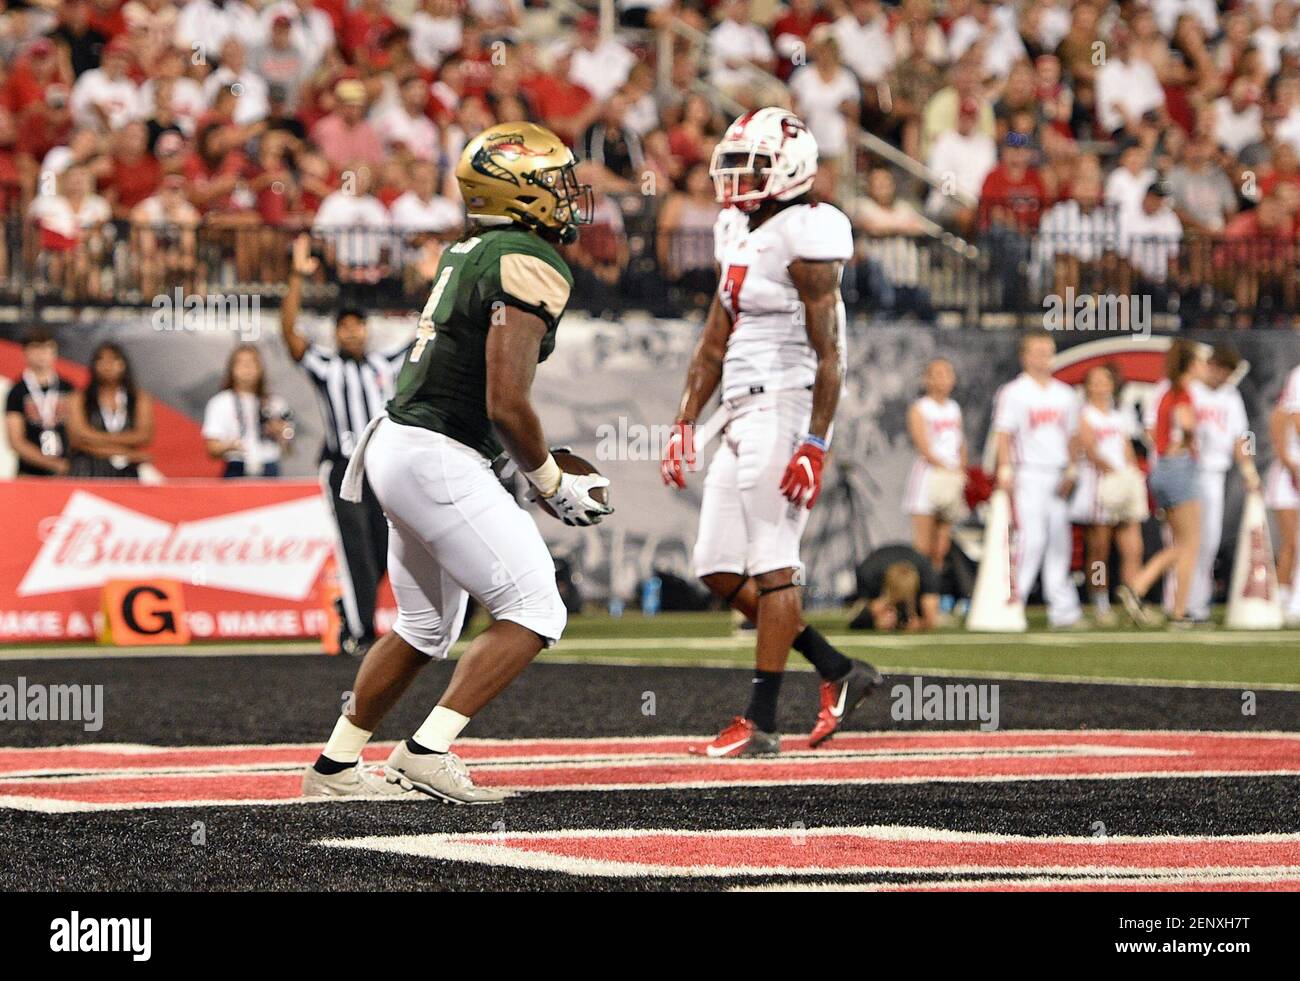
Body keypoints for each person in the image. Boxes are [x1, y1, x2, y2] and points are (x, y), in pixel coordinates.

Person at [301, 122, 610, 803]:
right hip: (436, 454)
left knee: (424, 627)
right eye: (552, 182)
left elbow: (489, 391)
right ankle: (426, 749)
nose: (566, 195)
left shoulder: (471, 249)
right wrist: (550, 484)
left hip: (400, 445)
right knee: (535, 607)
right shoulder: (529, 259)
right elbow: (506, 400)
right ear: (518, 192)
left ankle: (335, 765)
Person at [662, 107, 881, 757]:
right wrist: (685, 419)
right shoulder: (736, 224)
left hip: (786, 405)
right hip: (738, 405)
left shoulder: (809, 231)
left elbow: (830, 350)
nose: (737, 178)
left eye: (752, 165)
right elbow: (713, 335)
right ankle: (837, 668)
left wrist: (816, 441)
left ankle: (759, 721)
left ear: (789, 168)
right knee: (717, 566)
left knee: (772, 562)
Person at [281, 234, 409, 657]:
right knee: (355, 548)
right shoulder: (327, 367)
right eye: (345, 326)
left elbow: (427, 336)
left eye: (359, 325)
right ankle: (361, 631)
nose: (353, 332)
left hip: (384, 467)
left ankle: (351, 612)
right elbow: (290, 335)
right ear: (337, 333)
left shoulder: (384, 364)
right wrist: (296, 280)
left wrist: (431, 283)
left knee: (384, 548)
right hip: (345, 465)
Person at [993, 330, 1082, 629]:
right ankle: (1011, 602)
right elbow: (1004, 433)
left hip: (1057, 473)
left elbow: (1072, 436)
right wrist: (1004, 469)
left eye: (1049, 350)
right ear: (1025, 356)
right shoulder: (1014, 392)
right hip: (1027, 471)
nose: (1045, 356)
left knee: (1060, 542)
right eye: (1039, 351)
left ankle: (1063, 608)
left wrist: (1072, 469)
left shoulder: (1065, 395)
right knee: (1031, 539)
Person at [1118, 340, 1204, 628]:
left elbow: (1153, 430)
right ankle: (1173, 608)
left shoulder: (1164, 390)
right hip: (1179, 467)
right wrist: (1188, 442)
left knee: (1180, 543)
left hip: (1162, 470)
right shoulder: (1182, 393)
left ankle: (1140, 587)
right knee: (1189, 545)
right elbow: (1186, 425)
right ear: (1191, 364)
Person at [1068, 363, 1147, 626]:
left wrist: (1131, 476)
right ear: (1087, 386)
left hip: (1121, 484)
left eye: (1106, 381)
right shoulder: (1084, 414)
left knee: (1132, 547)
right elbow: (1090, 450)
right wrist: (1115, 474)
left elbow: (1126, 448)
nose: (1102, 386)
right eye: (1096, 381)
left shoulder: (1118, 415)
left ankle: (1132, 598)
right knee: (1099, 549)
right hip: (1098, 487)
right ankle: (1100, 601)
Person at [1185, 345, 1259, 623]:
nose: (1224, 379)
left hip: (1214, 474)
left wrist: (1249, 471)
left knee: (1210, 540)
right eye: (1222, 372)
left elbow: (1241, 438)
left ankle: (1197, 603)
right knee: (1185, 541)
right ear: (1211, 365)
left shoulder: (1231, 396)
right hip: (1187, 473)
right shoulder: (1190, 390)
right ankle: (1179, 603)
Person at [905, 358, 966, 577]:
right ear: (927, 379)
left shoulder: (954, 408)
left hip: (950, 478)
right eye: (937, 374)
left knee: (941, 547)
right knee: (923, 546)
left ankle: (935, 597)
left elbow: (960, 443)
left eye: (947, 374)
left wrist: (961, 471)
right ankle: (919, 599)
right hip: (929, 478)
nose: (943, 380)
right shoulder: (920, 408)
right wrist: (947, 468)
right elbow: (924, 446)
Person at [202, 345, 294, 478]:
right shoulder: (220, 402)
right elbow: (212, 448)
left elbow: (288, 448)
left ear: (260, 367)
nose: (247, 368)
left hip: (269, 466)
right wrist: (230, 445)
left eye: (252, 362)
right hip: (237, 466)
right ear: (232, 368)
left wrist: (280, 433)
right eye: (241, 363)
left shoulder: (275, 403)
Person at [66, 341, 154, 480]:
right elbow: (77, 439)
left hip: (126, 472)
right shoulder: (79, 398)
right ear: (94, 365)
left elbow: (144, 435)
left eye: (113, 359)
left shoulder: (138, 398)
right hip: (88, 470)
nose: (108, 365)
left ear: (123, 364)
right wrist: (124, 453)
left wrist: (94, 438)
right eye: (102, 360)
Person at [4, 328, 73, 476]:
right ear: (24, 353)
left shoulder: (68, 388)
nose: (42, 354)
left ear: (55, 352)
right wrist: (52, 464)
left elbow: (78, 430)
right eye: (35, 349)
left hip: (67, 472)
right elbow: (16, 440)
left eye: (47, 348)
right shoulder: (17, 391)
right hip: (29, 472)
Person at [1267, 361, 1300, 621]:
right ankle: (1282, 600)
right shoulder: (1297, 375)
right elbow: (1290, 420)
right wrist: (1289, 463)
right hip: (1290, 474)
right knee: (1290, 541)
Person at [848, 543, 942, 632]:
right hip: (875, 576)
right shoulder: (868, 573)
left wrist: (919, 624)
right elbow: (856, 617)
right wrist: (876, 621)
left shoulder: (927, 573)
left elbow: (930, 620)